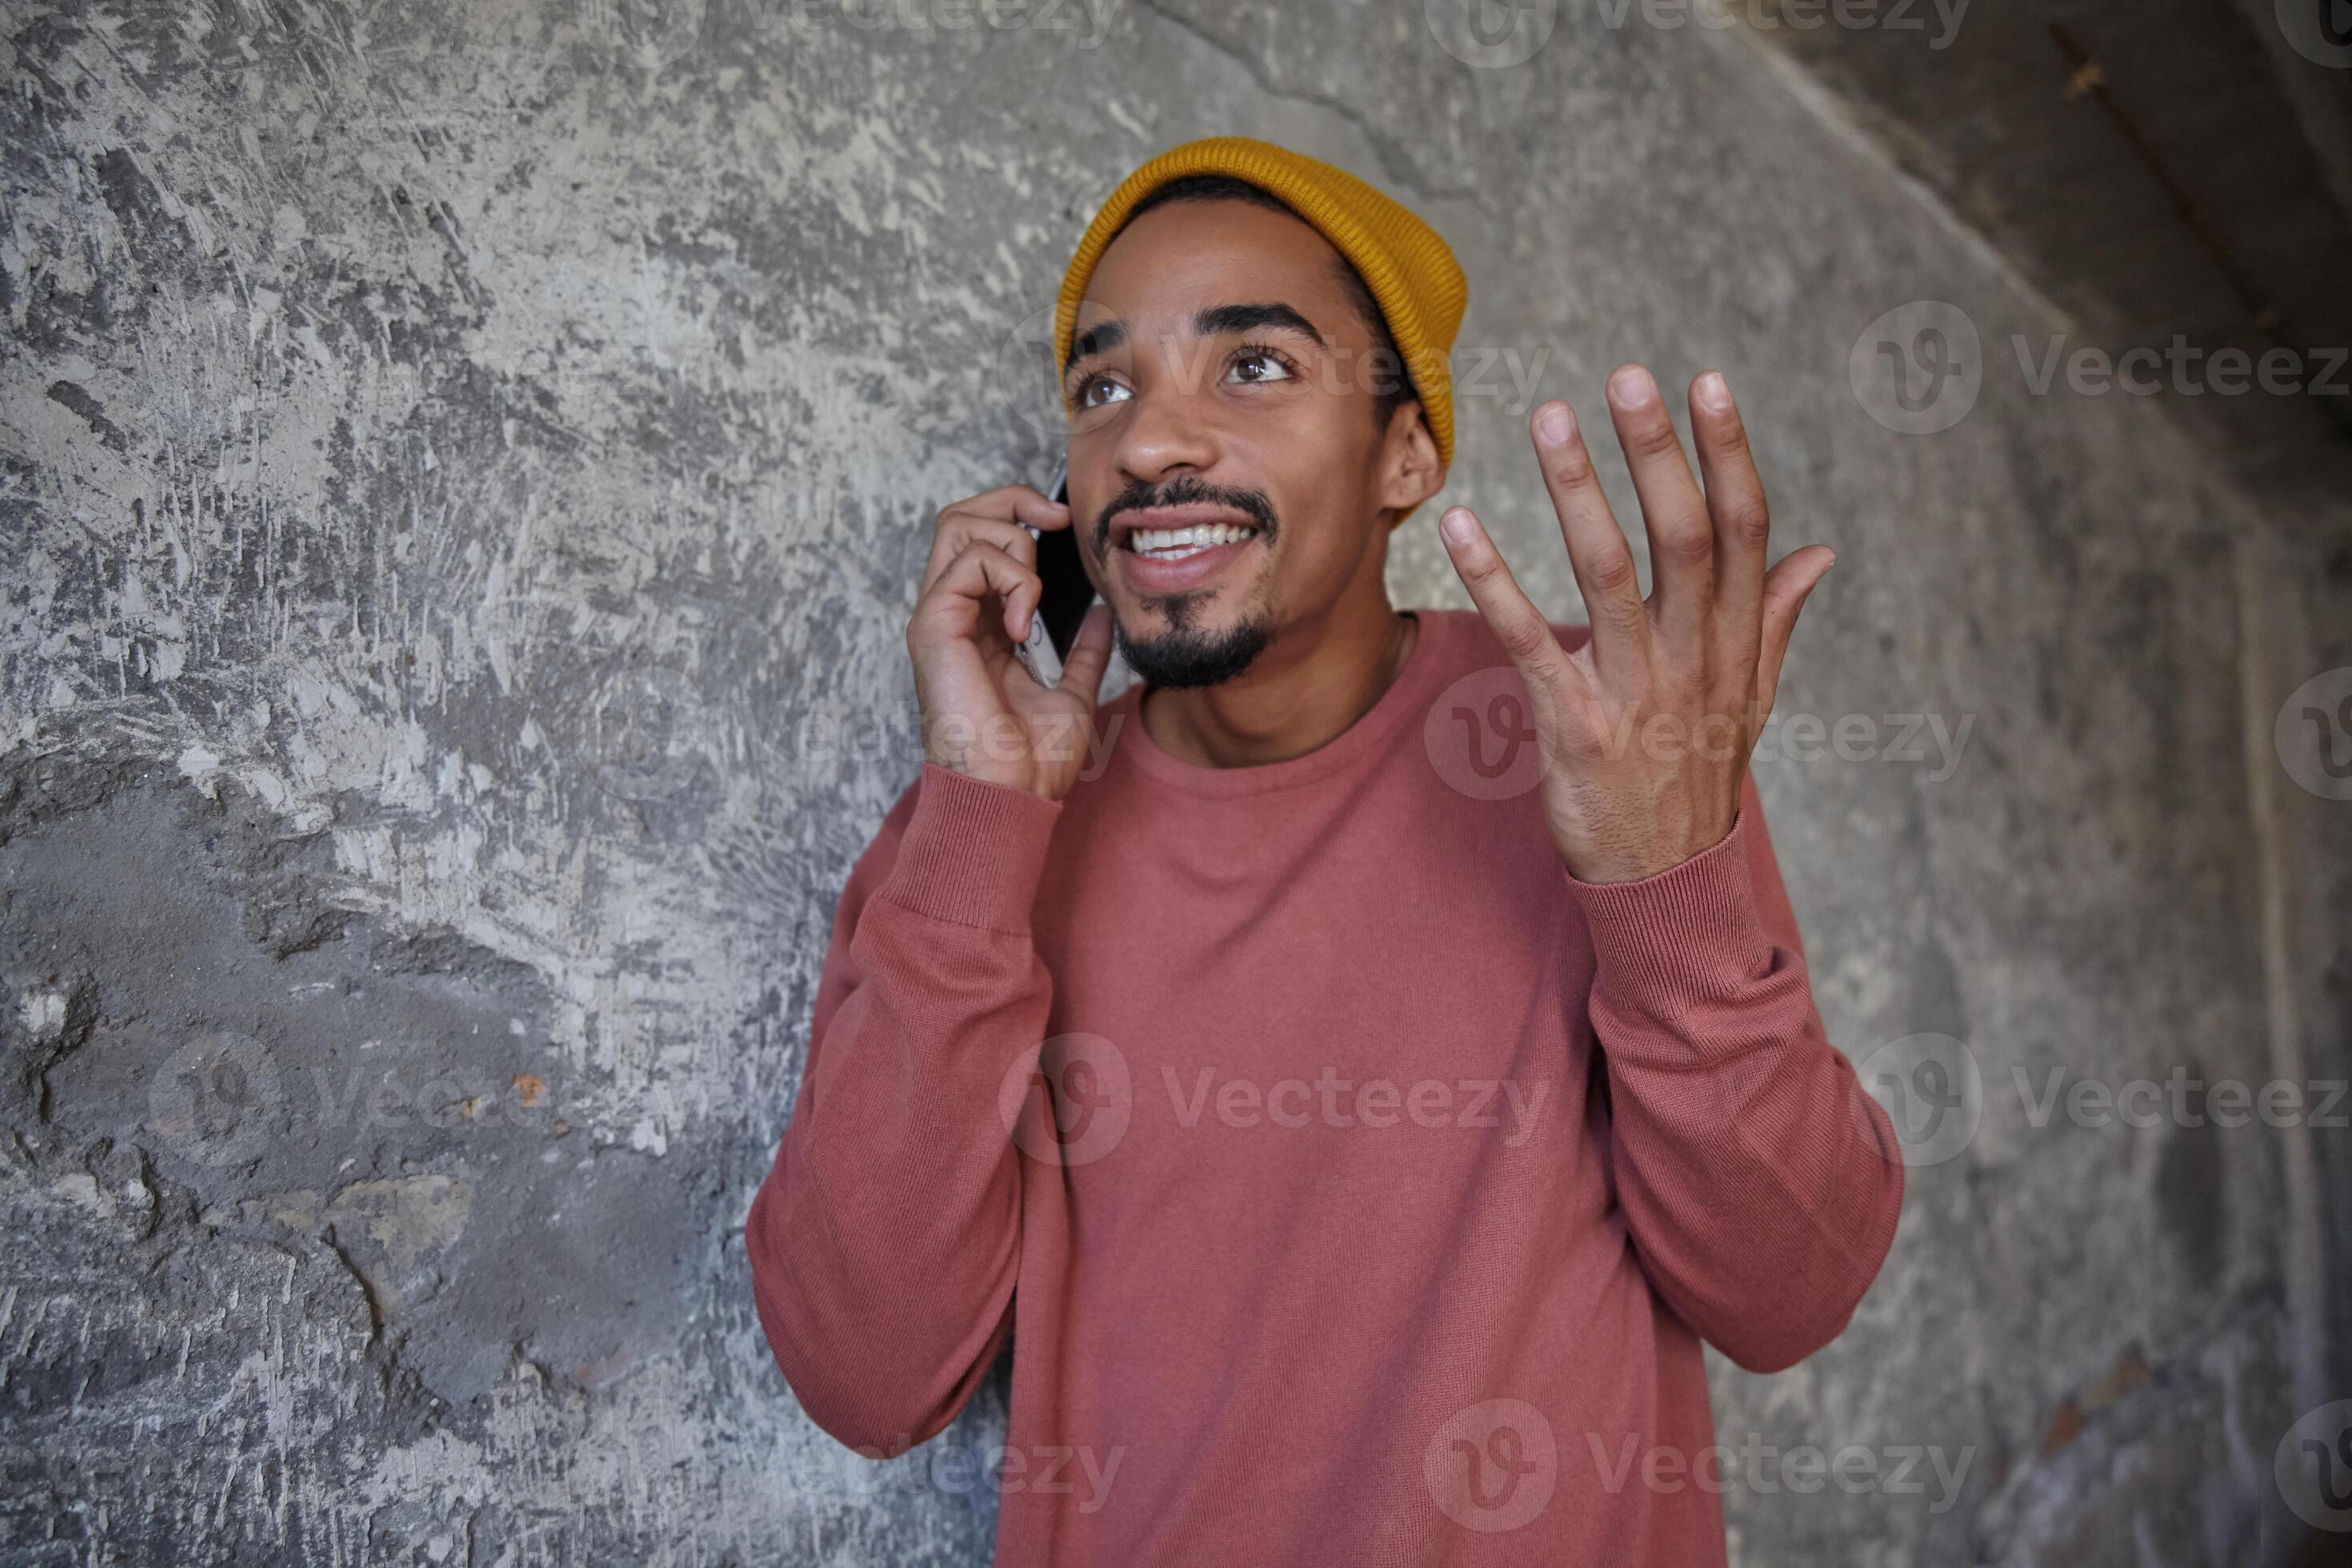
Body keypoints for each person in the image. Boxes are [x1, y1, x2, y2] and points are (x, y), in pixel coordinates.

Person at [746, 135, 1903, 1566]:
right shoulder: (987, 831)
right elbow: (867, 1378)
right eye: (1104, 386)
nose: (1150, 442)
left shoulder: (1595, 741)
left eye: (1253, 367)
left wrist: (1664, 886)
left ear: (1405, 453)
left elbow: (1789, 1292)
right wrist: (984, 819)